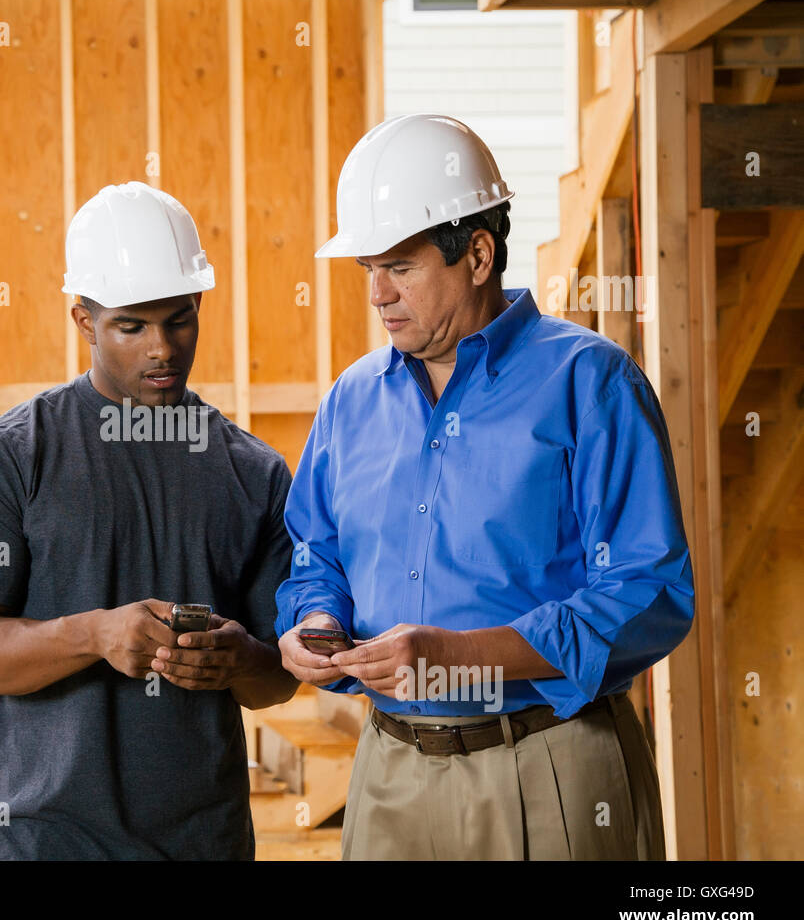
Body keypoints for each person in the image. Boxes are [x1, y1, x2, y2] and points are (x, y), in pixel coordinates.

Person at [275, 113, 694, 860]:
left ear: (476, 254)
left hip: (548, 765)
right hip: (389, 776)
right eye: (367, 268)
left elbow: (649, 594)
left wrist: (460, 654)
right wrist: (313, 620)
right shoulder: (351, 399)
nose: (377, 294)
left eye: (400, 267)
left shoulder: (589, 384)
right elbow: (317, 552)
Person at [0, 181, 299, 860]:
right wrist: (94, 634)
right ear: (84, 322)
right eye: (132, 325)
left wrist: (236, 658)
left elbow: (276, 678)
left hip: (202, 844)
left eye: (180, 319)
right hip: (43, 842)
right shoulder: (12, 457)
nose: (161, 348)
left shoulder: (255, 474)